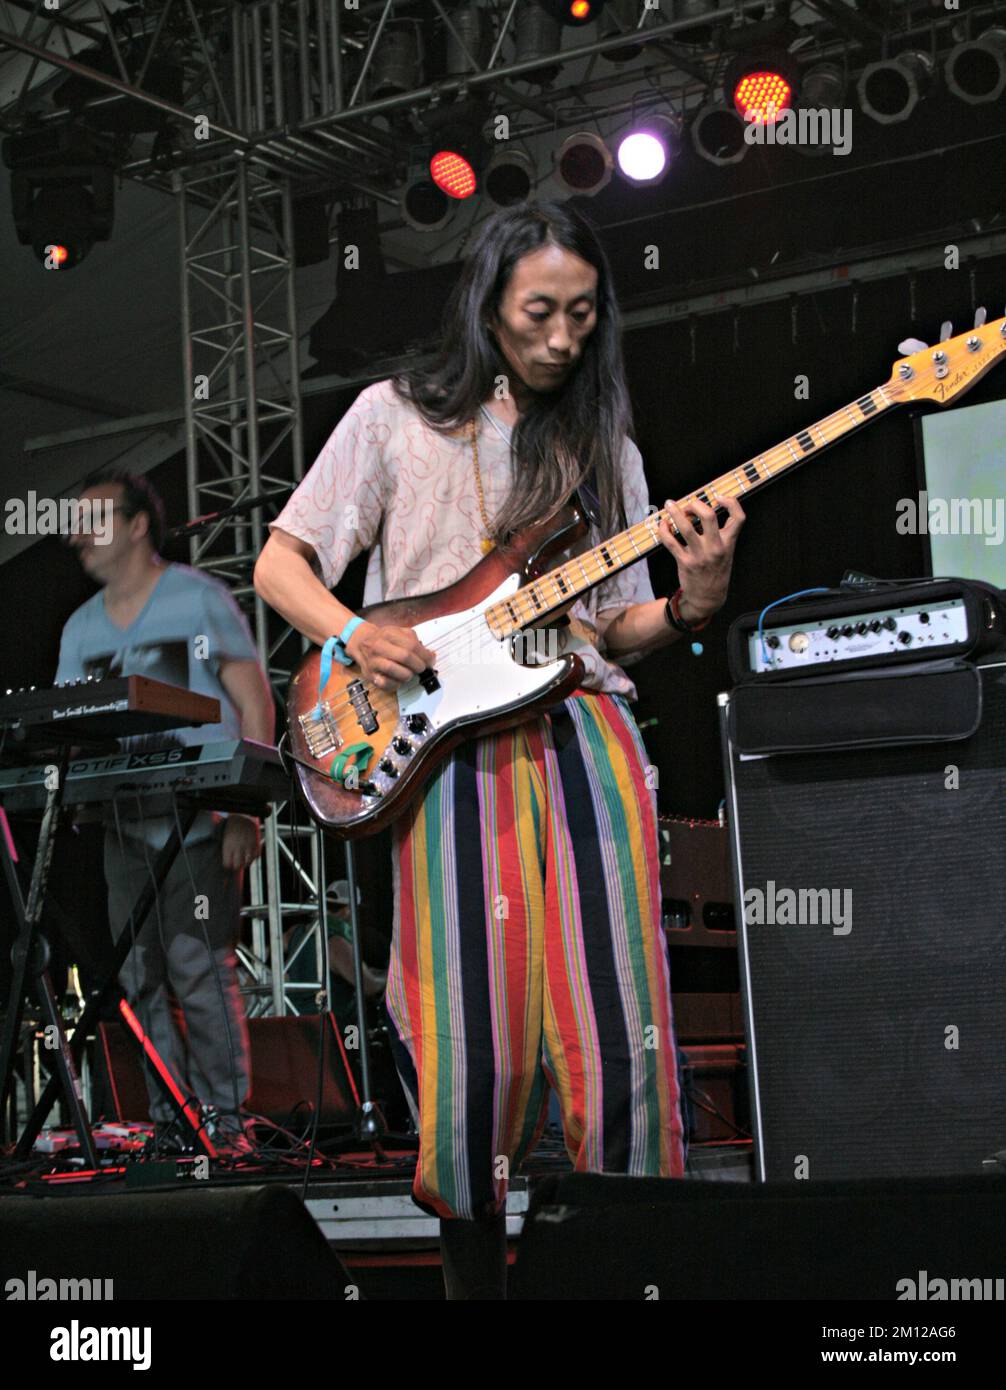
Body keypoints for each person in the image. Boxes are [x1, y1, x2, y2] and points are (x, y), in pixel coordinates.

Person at [254, 201, 745, 1294]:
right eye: (539, 311)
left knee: (616, 1020)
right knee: (467, 1036)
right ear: (487, 302)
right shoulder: (391, 417)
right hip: (442, 754)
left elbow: (616, 625)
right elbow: (280, 563)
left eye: (581, 314)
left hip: (583, 738)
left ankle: (629, 1270)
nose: (563, 336)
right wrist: (351, 629)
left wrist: (696, 599)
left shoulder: (599, 443)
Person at [56, 470, 275, 1155]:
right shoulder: (79, 628)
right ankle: (174, 1126)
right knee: (139, 977)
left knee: (200, 972)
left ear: (137, 524)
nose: (75, 536)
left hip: (200, 821)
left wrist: (247, 810)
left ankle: (226, 1129)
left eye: (91, 519)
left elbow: (257, 702)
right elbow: (68, 724)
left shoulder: (198, 600)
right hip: (125, 826)